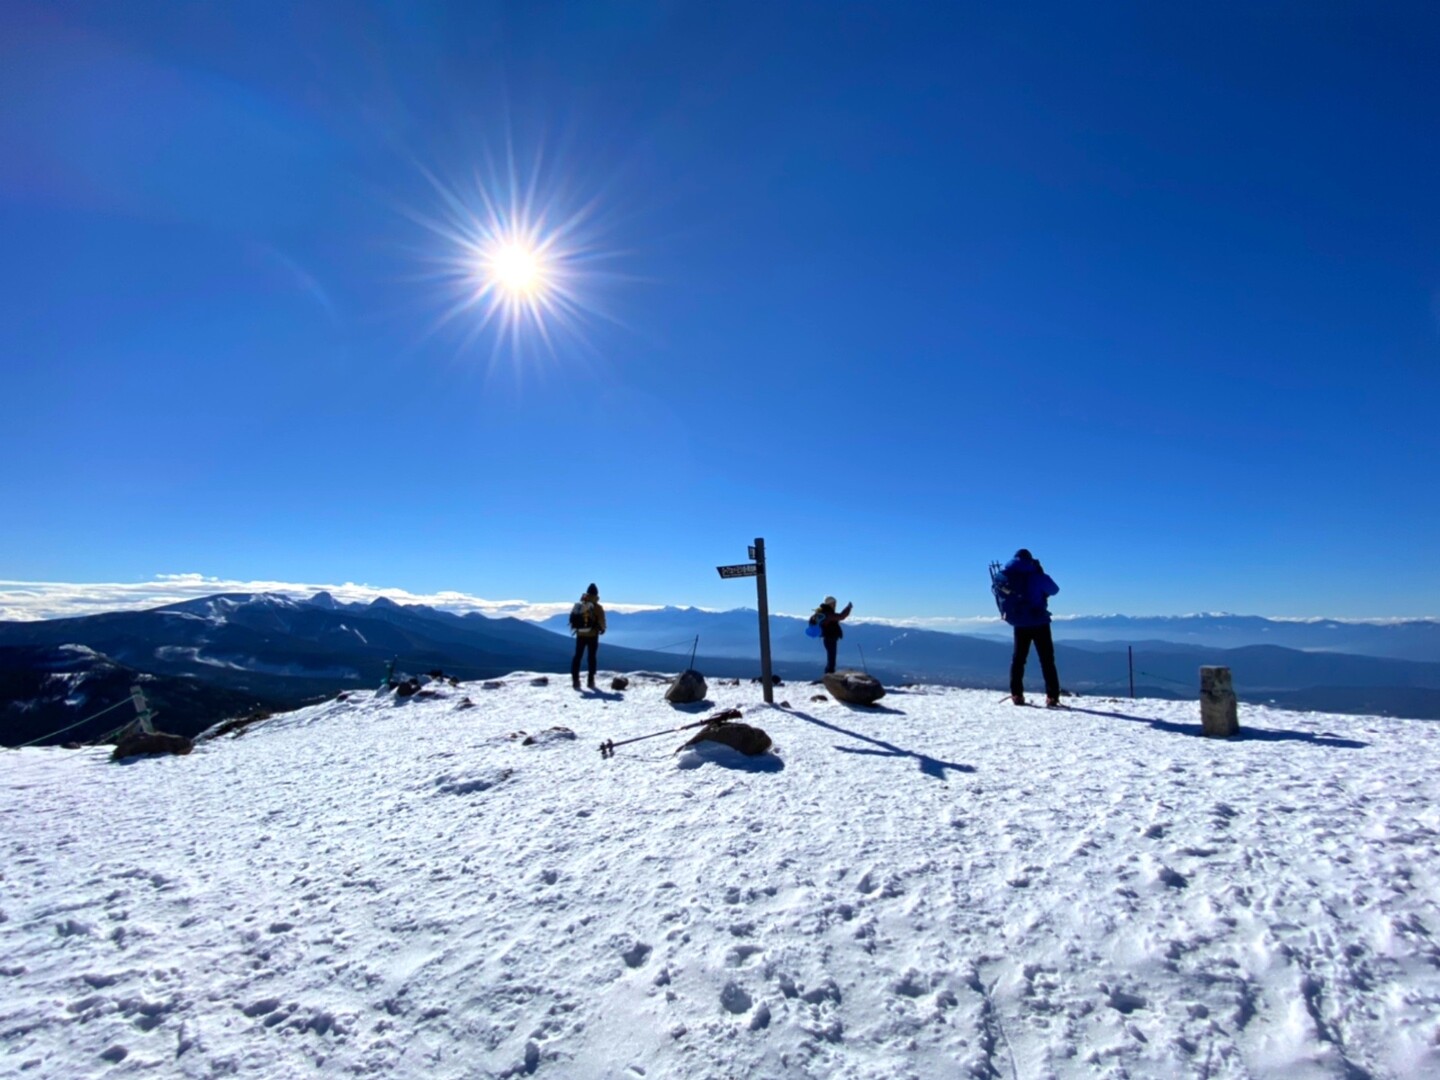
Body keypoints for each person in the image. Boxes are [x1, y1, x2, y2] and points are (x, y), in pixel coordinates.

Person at [996, 549, 1061, 707]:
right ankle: (1052, 697)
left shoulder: (1006, 575)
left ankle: (1017, 695)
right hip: (1039, 622)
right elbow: (1054, 590)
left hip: (1019, 623)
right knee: (1047, 660)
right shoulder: (1036, 575)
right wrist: (1040, 571)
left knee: (1018, 659)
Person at [569, 584, 606, 690]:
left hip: (580, 634)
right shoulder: (597, 607)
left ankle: (575, 680)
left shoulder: (580, 605)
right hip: (593, 635)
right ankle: (590, 681)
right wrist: (602, 629)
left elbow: (572, 619)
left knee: (577, 656)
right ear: (597, 594)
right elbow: (602, 621)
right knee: (591, 657)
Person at [808, 596, 852, 675]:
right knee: (831, 659)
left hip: (828, 638)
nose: (835, 605)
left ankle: (829, 675)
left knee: (831, 658)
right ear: (830, 603)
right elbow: (841, 616)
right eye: (834, 603)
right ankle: (829, 676)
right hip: (830, 638)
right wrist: (848, 608)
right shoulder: (827, 613)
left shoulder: (825, 612)